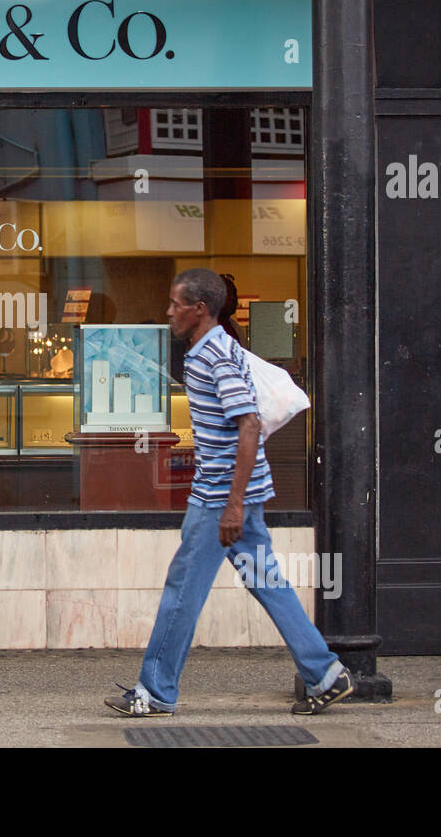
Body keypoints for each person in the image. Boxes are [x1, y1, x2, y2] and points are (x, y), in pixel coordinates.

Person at [105, 267, 354, 717]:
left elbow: (249, 425)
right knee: (268, 582)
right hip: (243, 491)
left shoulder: (210, 357)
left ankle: (154, 691)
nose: (168, 313)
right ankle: (326, 674)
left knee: (182, 590)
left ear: (199, 310)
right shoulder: (221, 346)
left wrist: (233, 505)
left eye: (176, 305)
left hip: (220, 497)